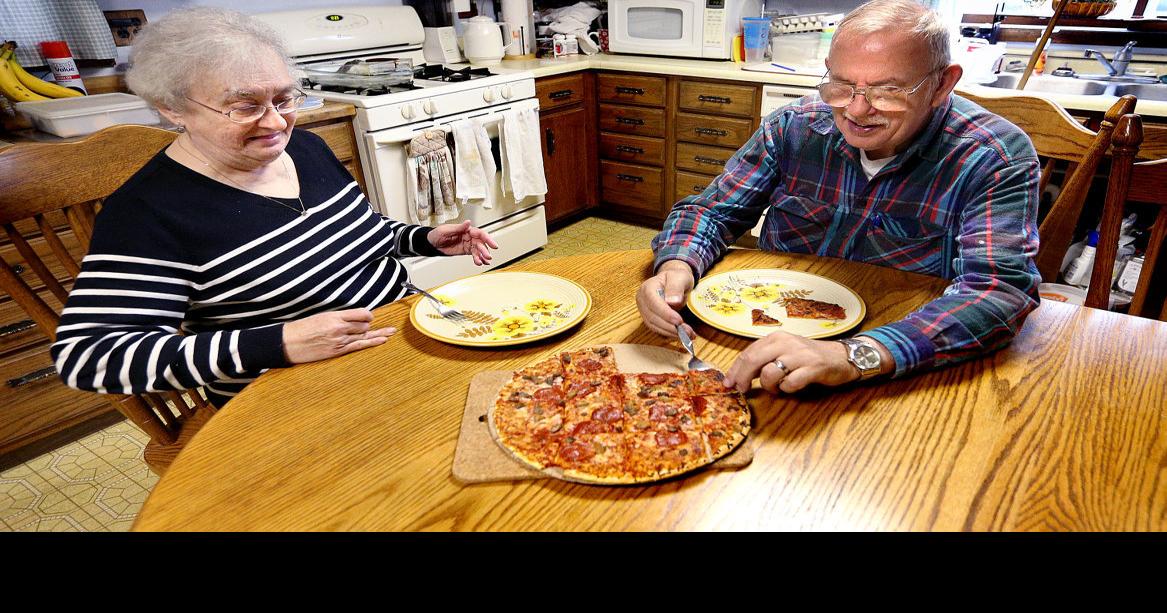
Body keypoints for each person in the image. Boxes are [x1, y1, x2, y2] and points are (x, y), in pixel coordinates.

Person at [51, 8, 499, 407]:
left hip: (406, 338)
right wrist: (279, 342)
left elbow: (349, 235)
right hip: (292, 393)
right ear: (172, 108)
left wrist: (421, 239)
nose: (275, 122)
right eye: (245, 107)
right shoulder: (148, 213)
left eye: (285, 99)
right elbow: (89, 357)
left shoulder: (305, 147)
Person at [637, 0, 1041, 395]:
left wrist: (858, 355)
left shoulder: (994, 157)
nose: (857, 110)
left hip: (900, 353)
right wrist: (677, 264)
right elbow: (710, 212)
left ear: (941, 84)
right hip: (758, 329)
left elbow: (996, 290)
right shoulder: (793, 128)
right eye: (842, 85)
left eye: (888, 91)